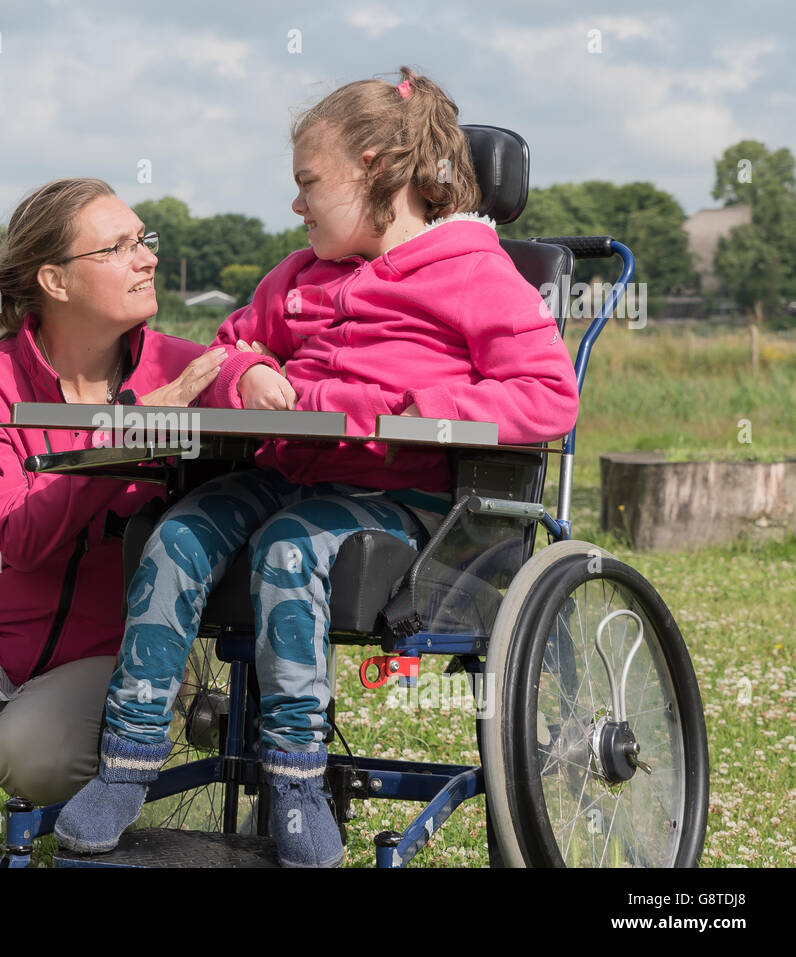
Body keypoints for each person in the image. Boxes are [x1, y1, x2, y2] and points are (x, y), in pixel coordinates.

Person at [54, 66, 581, 867]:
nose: (296, 205)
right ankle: (127, 763)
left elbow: (547, 398)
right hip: (287, 472)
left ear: (375, 166)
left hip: (399, 499)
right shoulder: (295, 278)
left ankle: (297, 777)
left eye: (308, 182)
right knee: (178, 532)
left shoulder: (477, 276)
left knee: (292, 545)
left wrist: (399, 402)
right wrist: (248, 375)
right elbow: (231, 345)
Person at [0, 177, 259, 866]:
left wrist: (254, 367)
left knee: (29, 758)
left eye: (143, 239)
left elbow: (249, 365)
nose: (146, 257)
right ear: (55, 279)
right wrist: (128, 437)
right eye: (119, 247)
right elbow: (20, 537)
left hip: (108, 650)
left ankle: (66, 798)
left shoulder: (186, 367)